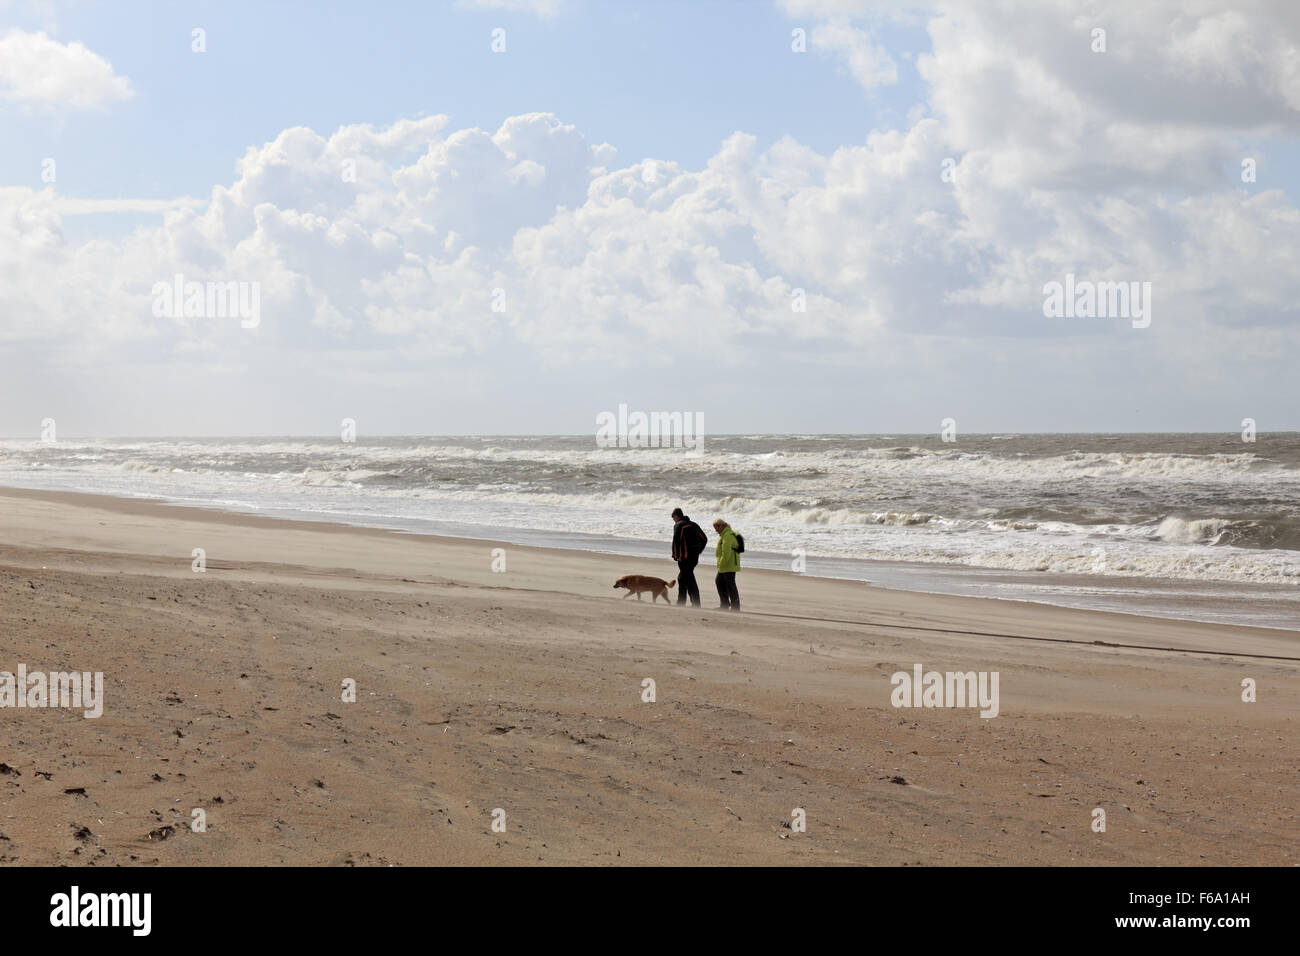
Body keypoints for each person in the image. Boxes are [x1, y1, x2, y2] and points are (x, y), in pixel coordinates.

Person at [670, 507, 707, 607]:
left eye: (673, 519)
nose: (674, 521)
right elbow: (704, 539)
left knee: (689, 579)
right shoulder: (694, 525)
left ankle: (696, 604)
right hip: (694, 558)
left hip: (684, 558)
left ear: (676, 516)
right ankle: (681, 602)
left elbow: (676, 541)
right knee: (682, 578)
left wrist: (675, 555)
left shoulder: (679, 525)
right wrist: (698, 551)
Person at [712, 518, 741, 611]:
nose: (716, 531)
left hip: (729, 564)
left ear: (721, 526)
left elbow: (726, 553)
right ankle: (725, 604)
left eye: (716, 528)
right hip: (727, 564)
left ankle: (735, 607)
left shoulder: (727, 535)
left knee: (730, 585)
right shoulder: (724, 534)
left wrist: (721, 564)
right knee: (720, 582)